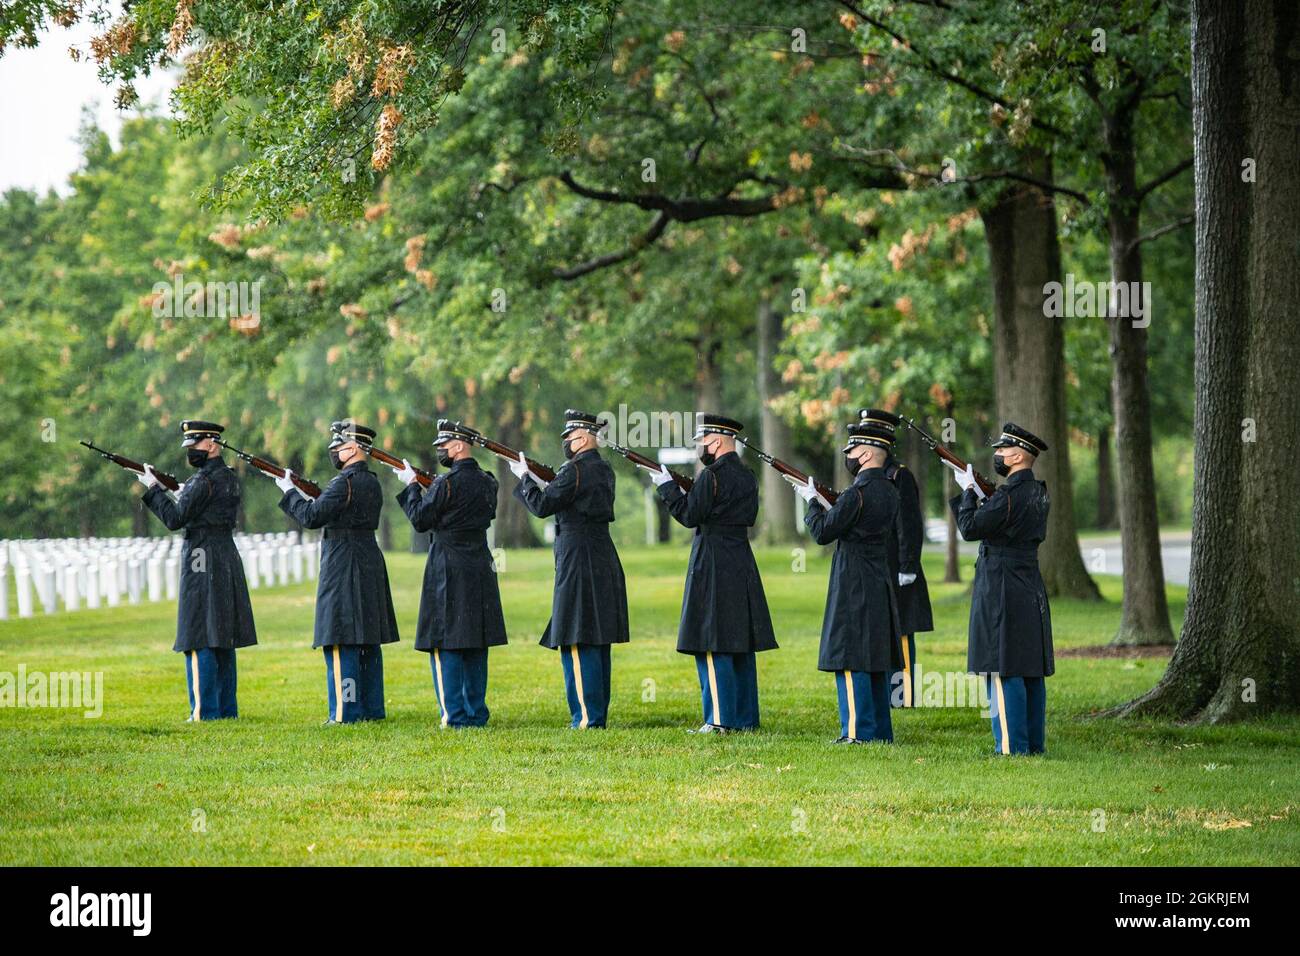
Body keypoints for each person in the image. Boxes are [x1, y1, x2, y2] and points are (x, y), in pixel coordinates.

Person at [652, 414, 777, 734]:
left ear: (717, 441)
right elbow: (746, 515)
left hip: (711, 560)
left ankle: (719, 718)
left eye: (702, 441)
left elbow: (690, 515)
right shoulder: (748, 476)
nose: (700, 448)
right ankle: (746, 718)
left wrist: (667, 488)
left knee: (712, 639)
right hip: (740, 559)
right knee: (739, 639)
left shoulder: (711, 476)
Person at [510, 409, 629, 729]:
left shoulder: (576, 471)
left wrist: (524, 478)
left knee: (578, 635)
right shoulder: (601, 469)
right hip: (599, 554)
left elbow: (542, 506)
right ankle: (595, 714)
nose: (568, 443)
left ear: (586, 437)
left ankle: (587, 717)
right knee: (595, 637)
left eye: (573, 437)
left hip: (579, 559)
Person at [277, 420, 399, 724]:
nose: (334, 451)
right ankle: (371, 709)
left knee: (341, 636)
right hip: (367, 558)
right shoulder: (370, 481)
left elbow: (311, 516)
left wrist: (290, 493)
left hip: (343, 561)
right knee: (366, 637)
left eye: (339, 446)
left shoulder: (343, 483)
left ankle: (346, 711)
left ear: (354, 448)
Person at [137, 420, 257, 721]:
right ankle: (226, 709)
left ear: (212, 444)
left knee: (199, 632)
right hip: (224, 554)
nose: (191, 451)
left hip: (200, 554)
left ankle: (204, 711)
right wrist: (175, 488)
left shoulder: (203, 480)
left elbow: (176, 518)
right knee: (221, 633)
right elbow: (201, 504)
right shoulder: (227, 477)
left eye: (196, 445)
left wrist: (153, 489)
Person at [390, 419, 506, 728]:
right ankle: (476, 713)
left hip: (447, 564)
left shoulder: (445, 484)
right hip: (480, 562)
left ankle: (453, 715)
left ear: (458, 446)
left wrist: (412, 486)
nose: (440, 451)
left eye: (443, 446)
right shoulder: (488, 480)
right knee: (475, 638)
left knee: (445, 639)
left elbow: (420, 519)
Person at [791, 420, 902, 743]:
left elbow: (823, 532)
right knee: (875, 658)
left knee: (852, 655)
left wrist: (812, 502)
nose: (849, 455)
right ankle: (880, 731)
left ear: (866, 454)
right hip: (878, 577)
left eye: (852, 450)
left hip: (853, 578)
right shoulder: (890, 490)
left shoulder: (858, 493)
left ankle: (857, 731)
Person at [947, 422, 1054, 755]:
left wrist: (967, 492)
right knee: (1028, 668)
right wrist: (981, 494)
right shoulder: (1037, 491)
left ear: (1019, 456)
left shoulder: (1009, 495)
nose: (997, 455)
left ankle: (1010, 745)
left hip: (1002, 586)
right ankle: (1032, 744)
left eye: (1003, 450)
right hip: (1028, 583)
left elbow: (970, 527)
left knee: (1003, 665)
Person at [859, 408, 934, 708]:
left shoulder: (898, 475)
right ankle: (885, 690)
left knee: (901, 629)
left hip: (896, 563)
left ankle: (902, 695)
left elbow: (909, 524)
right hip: (876, 562)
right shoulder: (871, 476)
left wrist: (908, 565)